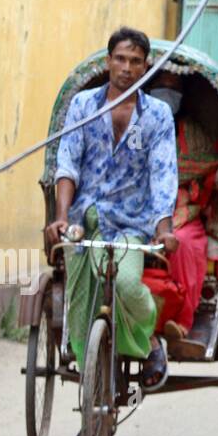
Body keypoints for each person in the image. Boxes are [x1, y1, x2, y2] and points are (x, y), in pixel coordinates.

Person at [46, 27, 179, 393]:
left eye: (135, 61)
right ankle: (86, 366)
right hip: (84, 220)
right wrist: (61, 215)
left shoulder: (157, 116)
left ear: (145, 67)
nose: (126, 67)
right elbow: (68, 163)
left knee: (125, 284)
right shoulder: (84, 106)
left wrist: (163, 228)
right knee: (78, 291)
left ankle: (149, 338)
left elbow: (164, 173)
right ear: (108, 62)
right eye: (120, 58)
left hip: (130, 224)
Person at [145, 69, 218, 358]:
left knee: (185, 244)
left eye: (173, 88)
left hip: (183, 212)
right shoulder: (135, 124)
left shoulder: (191, 134)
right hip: (138, 208)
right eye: (161, 86)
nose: (167, 92)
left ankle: (178, 324)